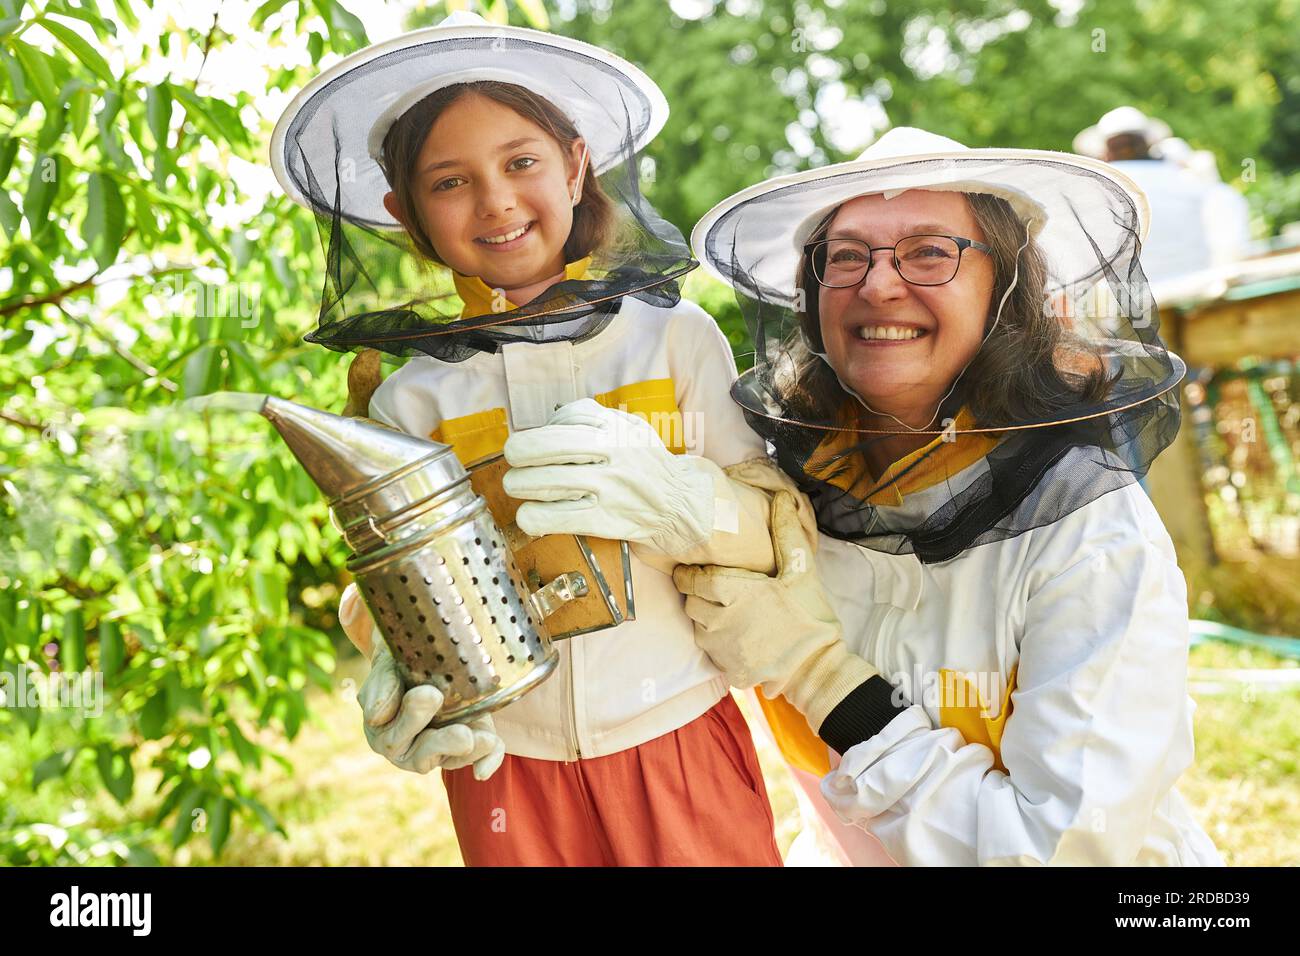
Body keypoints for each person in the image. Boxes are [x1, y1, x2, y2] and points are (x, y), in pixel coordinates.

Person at [270, 11, 785, 866]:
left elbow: (771, 532)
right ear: (405, 213)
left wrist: (683, 499)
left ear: (576, 166)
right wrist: (391, 662)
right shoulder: (411, 393)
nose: (497, 199)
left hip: (679, 735)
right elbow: (395, 587)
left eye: (521, 162)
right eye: (450, 182)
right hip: (507, 770)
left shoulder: (674, 335)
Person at [674, 125, 1226, 865]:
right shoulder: (780, 505)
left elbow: (1058, 851)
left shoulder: (1090, 536)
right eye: (845, 257)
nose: (877, 283)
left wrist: (824, 680)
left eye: (930, 252)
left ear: (1005, 290)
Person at [1075, 106, 1249, 285]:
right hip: (1198, 286)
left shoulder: (1095, 190)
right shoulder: (1186, 180)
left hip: (1130, 303)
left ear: (1106, 149)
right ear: (1148, 143)